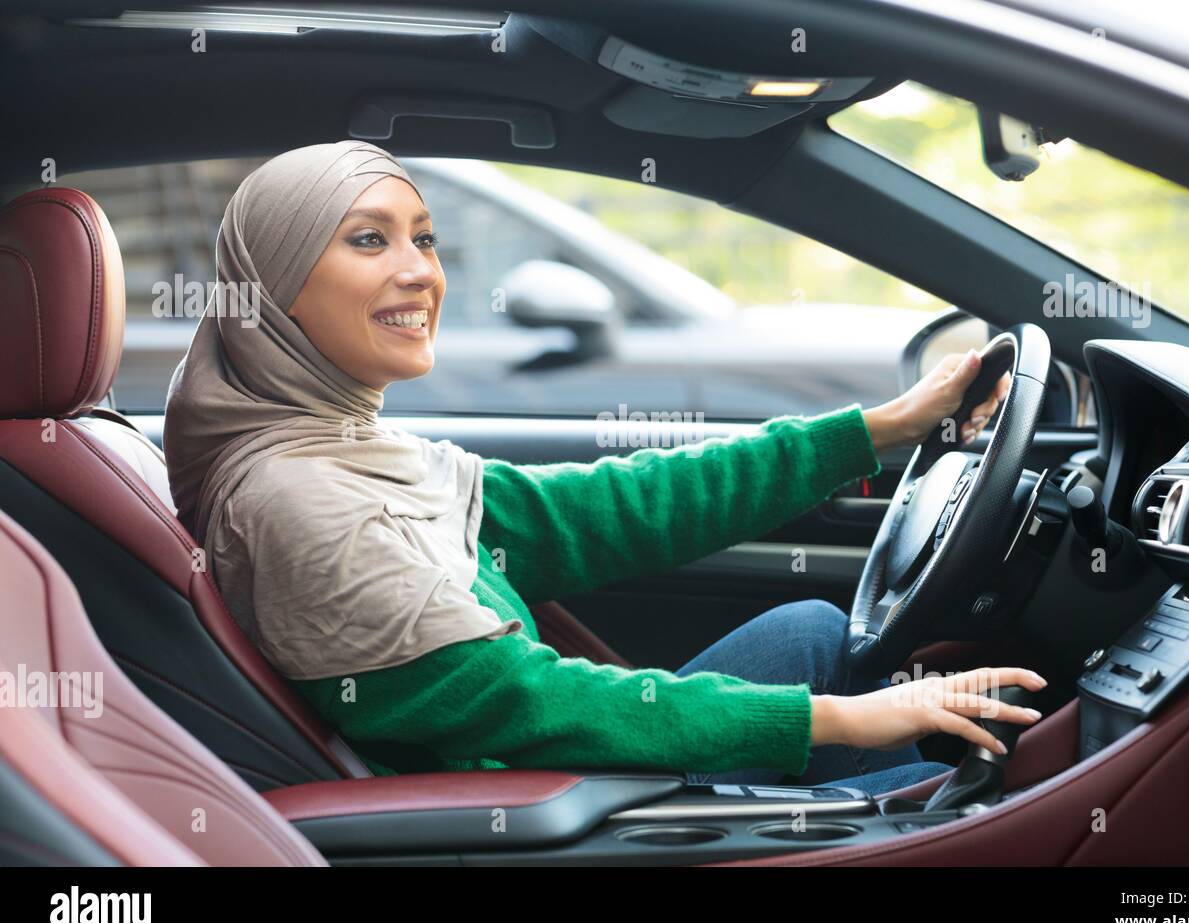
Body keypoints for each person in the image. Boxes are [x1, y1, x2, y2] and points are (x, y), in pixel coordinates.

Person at [163, 141, 1043, 795]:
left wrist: (880, 428)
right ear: (275, 285)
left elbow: (609, 510)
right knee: (967, 803)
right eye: (368, 241)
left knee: (813, 632)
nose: (418, 272)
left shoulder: (346, 449)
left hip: (547, 778)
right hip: (541, 817)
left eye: (423, 239)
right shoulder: (302, 503)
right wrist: (845, 721)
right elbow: (526, 705)